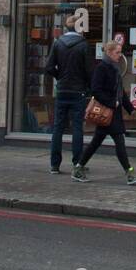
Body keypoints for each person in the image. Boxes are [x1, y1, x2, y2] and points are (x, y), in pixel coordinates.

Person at [73, 40, 136, 185]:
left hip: (112, 112)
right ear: (109, 53)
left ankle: (79, 167)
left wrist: (129, 108)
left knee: (96, 142)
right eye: (117, 52)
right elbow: (96, 90)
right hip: (108, 111)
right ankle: (129, 172)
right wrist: (112, 103)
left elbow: (120, 92)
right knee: (119, 141)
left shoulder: (114, 68)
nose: (119, 55)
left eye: (120, 52)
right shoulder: (102, 68)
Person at [44, 15, 92, 174]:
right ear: (80, 29)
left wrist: (60, 77)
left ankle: (54, 164)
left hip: (63, 90)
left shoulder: (58, 43)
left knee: (58, 127)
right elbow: (89, 71)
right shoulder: (84, 45)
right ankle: (77, 163)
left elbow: (49, 67)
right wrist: (88, 87)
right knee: (77, 128)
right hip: (78, 90)